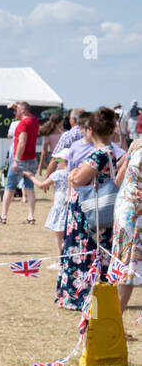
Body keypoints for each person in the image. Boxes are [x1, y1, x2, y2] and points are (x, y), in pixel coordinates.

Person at [57, 107, 119, 311]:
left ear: (91, 129)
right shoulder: (112, 152)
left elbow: (77, 179)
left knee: (83, 251)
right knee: (96, 253)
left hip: (87, 211)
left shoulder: (99, 154)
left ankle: (79, 295)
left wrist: (73, 174)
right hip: (99, 209)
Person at [0, 101, 40, 224]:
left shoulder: (23, 124)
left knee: (9, 188)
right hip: (32, 159)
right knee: (30, 188)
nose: (14, 112)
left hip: (21, 161)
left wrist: (16, 161)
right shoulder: (34, 120)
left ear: (23, 110)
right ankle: (31, 217)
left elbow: (22, 142)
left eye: (16, 110)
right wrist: (16, 105)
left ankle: (3, 216)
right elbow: (27, 111)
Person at [113, 138, 142, 313]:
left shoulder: (136, 144)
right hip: (135, 213)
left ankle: (113, 324)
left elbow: (118, 180)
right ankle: (112, 326)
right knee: (127, 268)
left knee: (125, 266)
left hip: (125, 206)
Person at [25, 155, 70, 255]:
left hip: (60, 206)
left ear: (65, 161)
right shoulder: (73, 172)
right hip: (70, 206)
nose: (56, 163)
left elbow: (42, 185)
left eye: (58, 160)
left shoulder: (58, 173)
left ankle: (61, 259)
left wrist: (30, 176)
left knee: (59, 236)